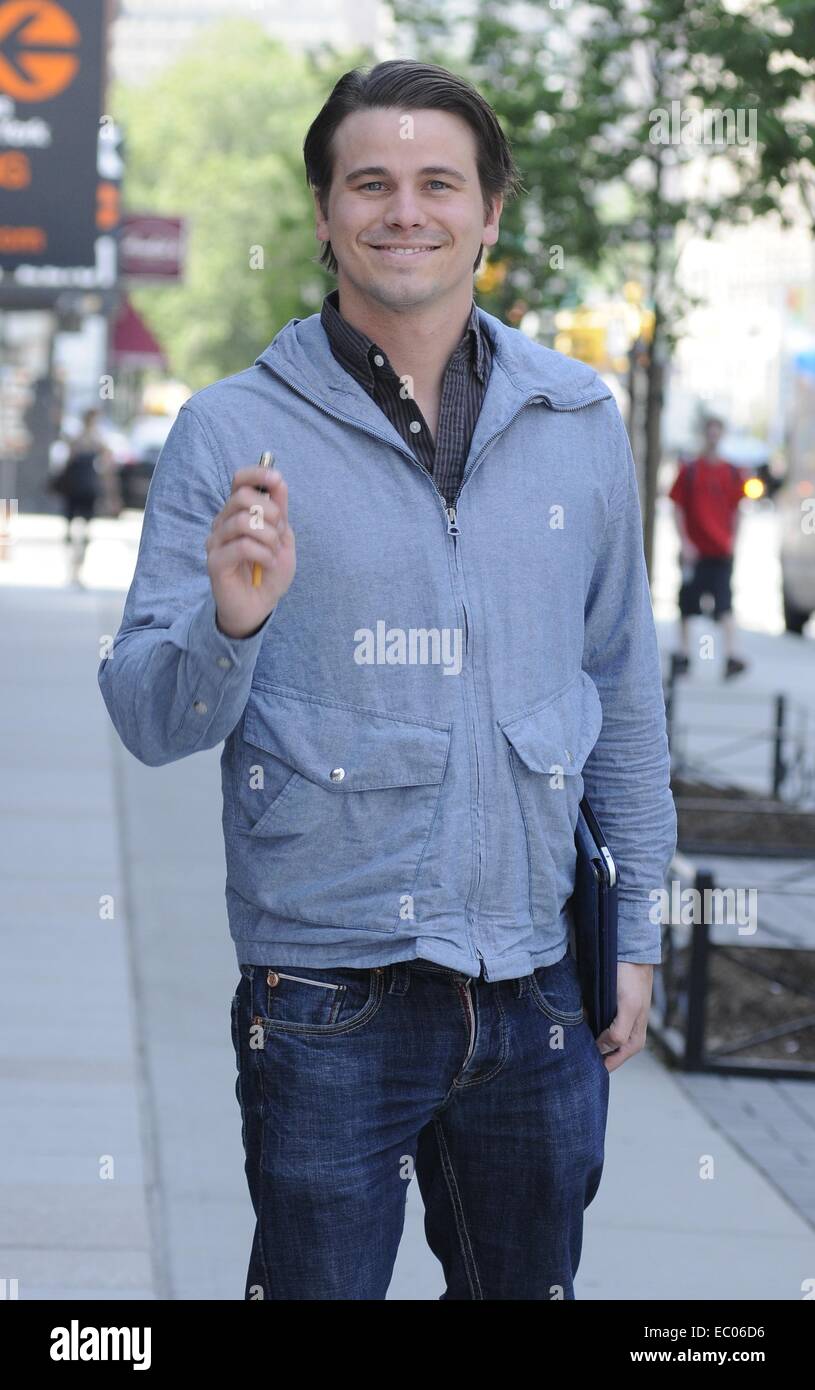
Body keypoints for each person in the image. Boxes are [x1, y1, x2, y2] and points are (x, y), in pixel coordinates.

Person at [98, 60, 677, 1300]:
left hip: (535, 988)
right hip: (326, 997)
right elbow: (150, 713)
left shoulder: (578, 417)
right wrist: (230, 621)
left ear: (490, 213)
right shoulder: (229, 429)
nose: (402, 211)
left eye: (436, 183)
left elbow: (621, 687)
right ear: (321, 215)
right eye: (368, 183)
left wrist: (634, 935)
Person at [668, 415, 749, 679]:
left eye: (717, 433)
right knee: (687, 604)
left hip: (721, 551)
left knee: (724, 604)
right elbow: (677, 508)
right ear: (705, 435)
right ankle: (685, 654)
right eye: (710, 433)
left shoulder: (732, 472)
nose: (713, 439)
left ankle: (730, 656)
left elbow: (737, 510)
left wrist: (734, 542)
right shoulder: (690, 470)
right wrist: (685, 542)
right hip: (695, 552)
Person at [56, 408, 113, 586]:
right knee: (81, 531)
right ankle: (75, 570)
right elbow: (105, 468)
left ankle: (74, 570)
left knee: (74, 530)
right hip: (85, 488)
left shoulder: (80, 440)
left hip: (78, 489)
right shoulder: (94, 440)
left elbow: (65, 463)